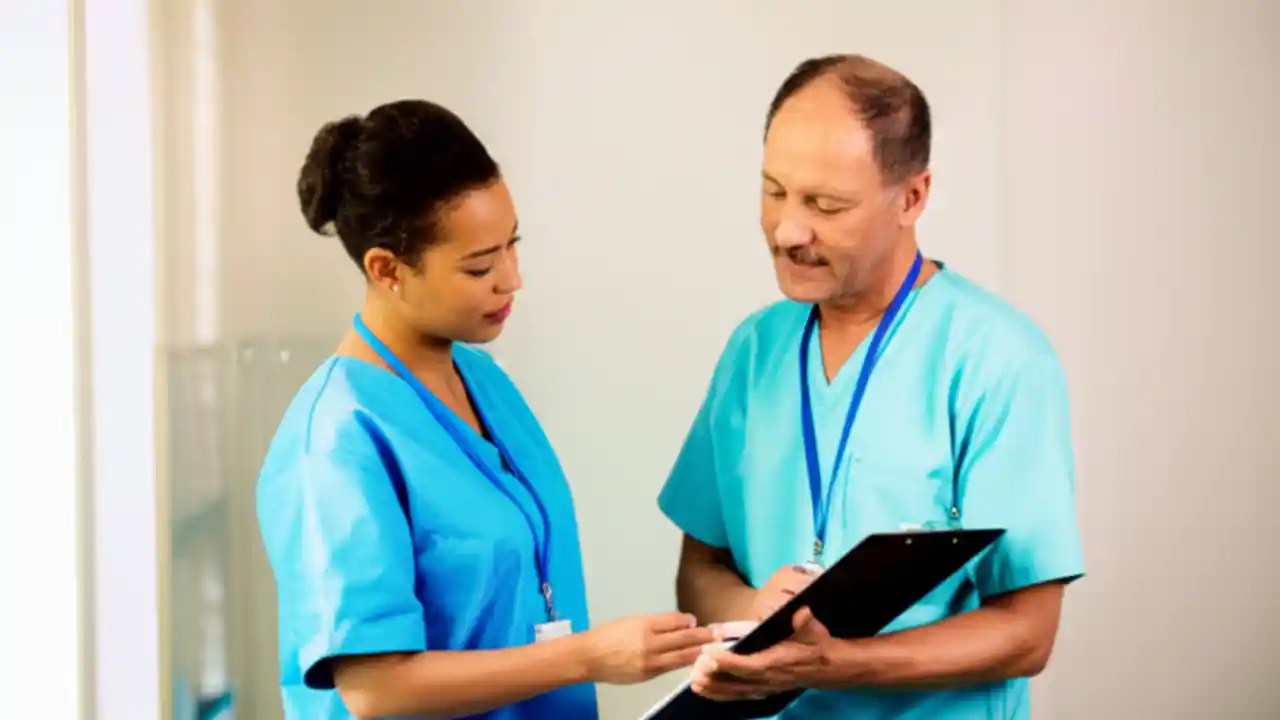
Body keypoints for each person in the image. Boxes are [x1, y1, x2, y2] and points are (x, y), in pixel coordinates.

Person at [256, 99, 713, 720]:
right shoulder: (336, 438)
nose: (512, 279)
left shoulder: (479, 378)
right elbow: (376, 690)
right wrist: (587, 657)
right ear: (387, 269)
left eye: (511, 245)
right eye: (480, 265)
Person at [658, 54, 1085, 718]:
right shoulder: (754, 349)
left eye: (826, 205)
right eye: (774, 191)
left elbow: (1027, 633)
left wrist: (833, 665)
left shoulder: (996, 360)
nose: (787, 231)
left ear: (912, 197)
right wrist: (755, 615)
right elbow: (699, 570)